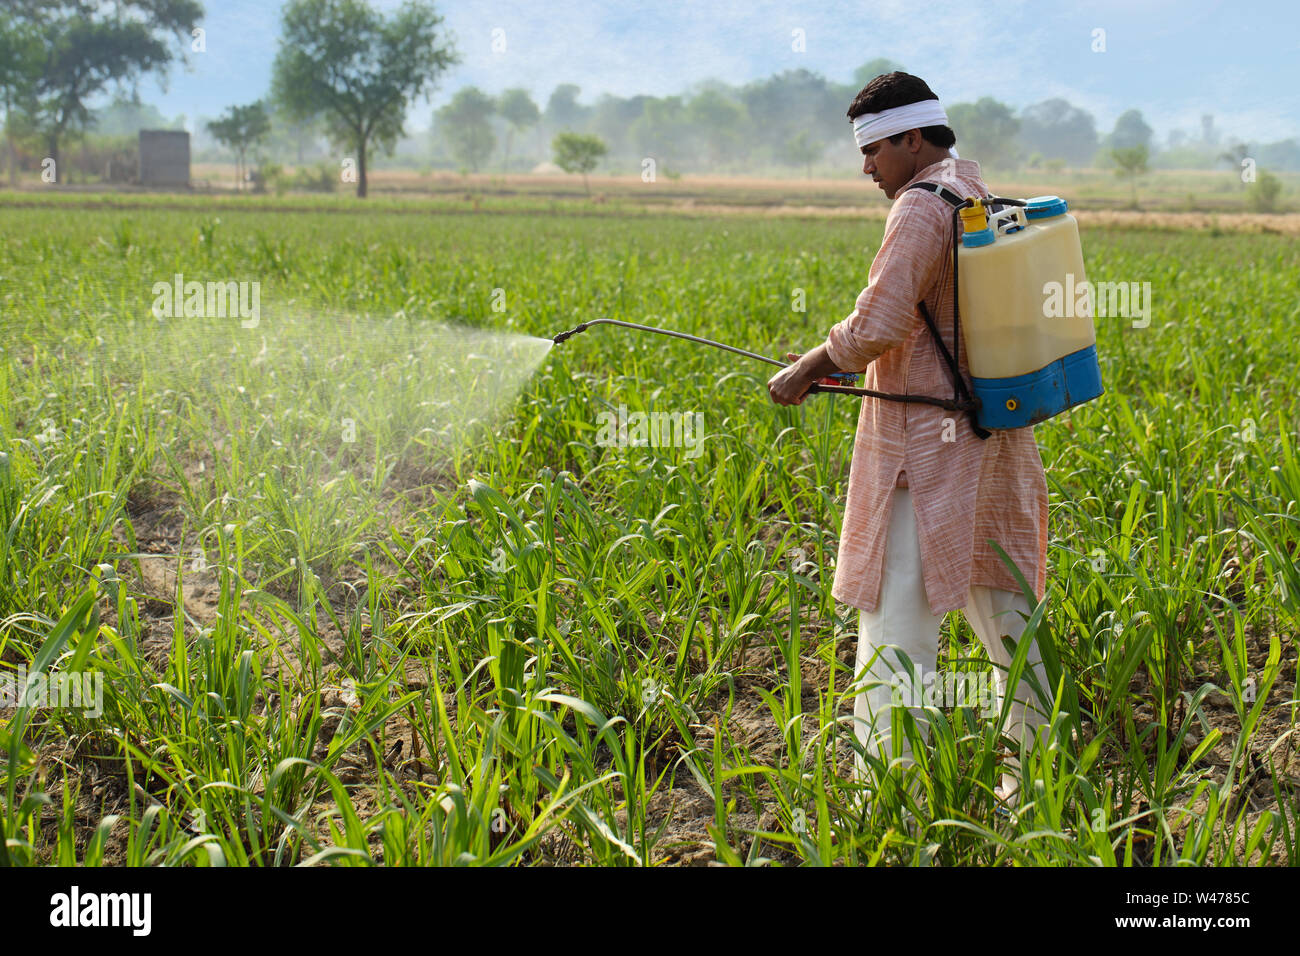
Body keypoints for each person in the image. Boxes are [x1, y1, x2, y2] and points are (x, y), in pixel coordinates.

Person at [766, 72, 1053, 813]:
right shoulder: (974, 192)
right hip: (991, 429)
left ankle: (886, 798)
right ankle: (1039, 782)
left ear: (914, 139)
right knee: (1007, 615)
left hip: (922, 452)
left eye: (874, 150)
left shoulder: (921, 209)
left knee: (898, 621)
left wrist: (810, 365)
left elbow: (878, 325)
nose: (867, 168)